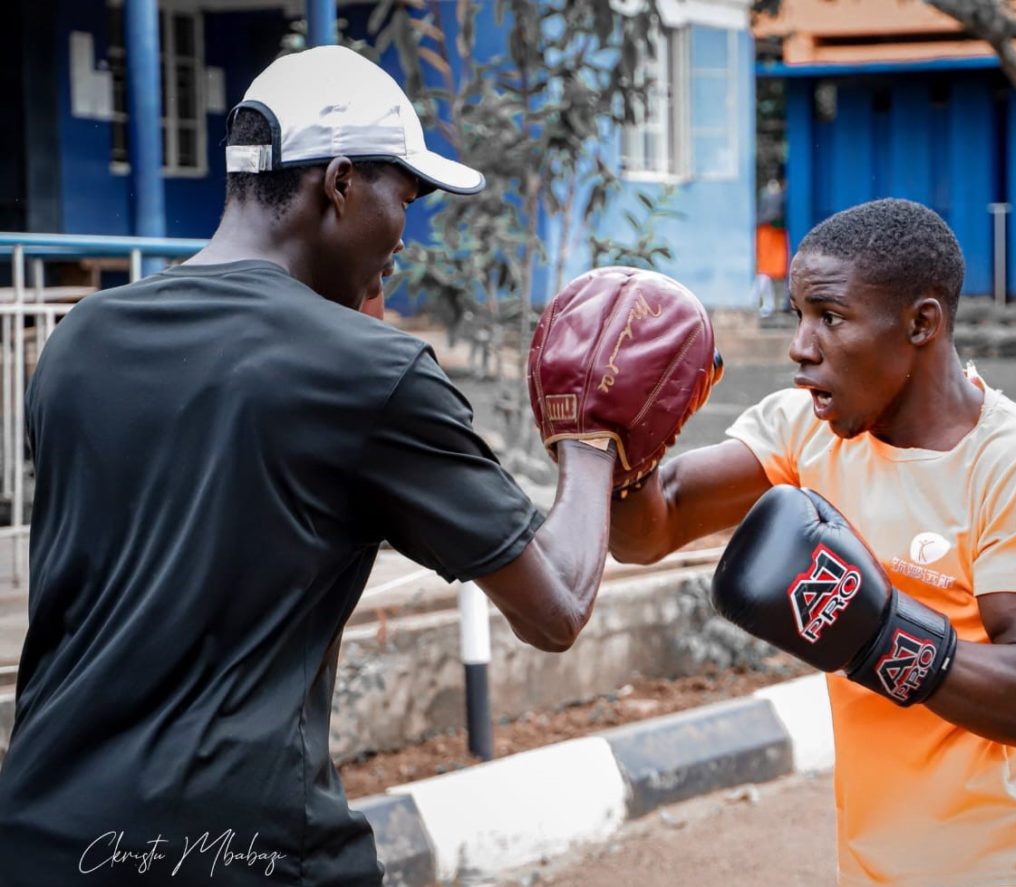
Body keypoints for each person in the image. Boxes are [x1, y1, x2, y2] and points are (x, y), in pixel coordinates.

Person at [0, 46, 620, 886]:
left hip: (39, 838)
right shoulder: (369, 370)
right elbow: (556, 607)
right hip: (237, 851)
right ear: (338, 184)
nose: (406, 236)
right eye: (404, 197)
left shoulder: (78, 341)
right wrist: (595, 429)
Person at [610, 199, 1016, 887]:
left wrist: (878, 633)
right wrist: (623, 445)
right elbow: (651, 529)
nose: (801, 345)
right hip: (872, 867)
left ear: (921, 323)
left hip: (1012, 868)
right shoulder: (805, 426)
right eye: (798, 314)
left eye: (830, 316)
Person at [753, 172, 789, 318]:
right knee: (765, 272)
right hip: (770, 235)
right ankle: (759, 304)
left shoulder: (766, 193)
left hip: (771, 236)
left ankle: (767, 305)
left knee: (765, 272)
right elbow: (773, 215)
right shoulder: (776, 195)